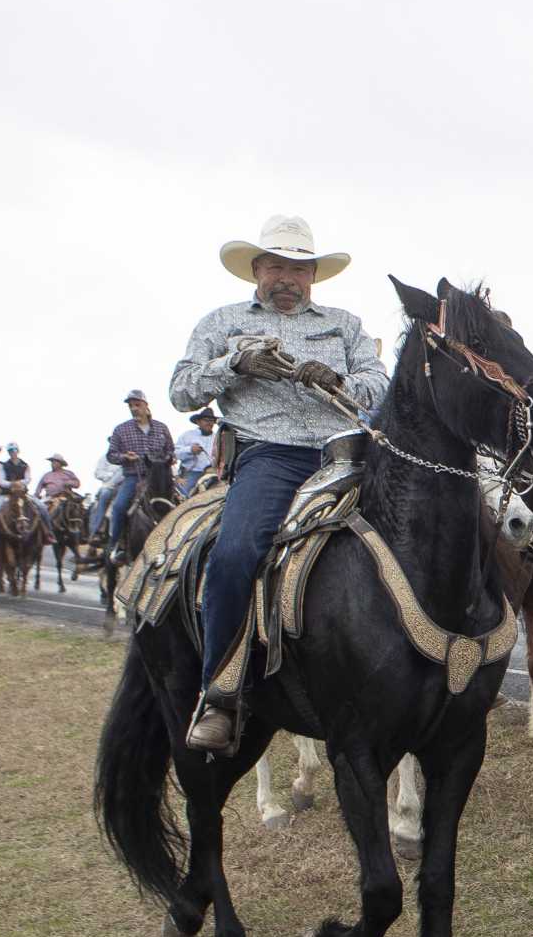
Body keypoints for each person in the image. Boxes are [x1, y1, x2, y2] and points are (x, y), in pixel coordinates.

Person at [171, 212, 388, 751]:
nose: (286, 277)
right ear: (256, 270)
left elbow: (378, 385)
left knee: (437, 526)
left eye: (298, 268)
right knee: (236, 553)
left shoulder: (345, 325)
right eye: (275, 266)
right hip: (270, 456)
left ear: (313, 274)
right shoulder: (221, 323)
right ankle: (220, 693)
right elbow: (180, 391)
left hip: (349, 454)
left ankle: (455, 658)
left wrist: (337, 378)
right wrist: (235, 364)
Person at [83, 389, 176, 569]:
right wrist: (125, 456)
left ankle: (180, 543)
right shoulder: (121, 430)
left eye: (137, 405)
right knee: (118, 507)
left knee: (184, 502)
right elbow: (111, 455)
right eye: (131, 406)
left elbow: (171, 449)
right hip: (134, 476)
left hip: (161, 478)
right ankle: (118, 545)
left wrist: (169, 458)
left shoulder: (161, 428)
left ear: (146, 406)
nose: (134, 408)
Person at [177, 407, 220, 495]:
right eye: (206, 420)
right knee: (183, 494)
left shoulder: (218, 438)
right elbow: (175, 453)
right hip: (193, 473)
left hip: (213, 472)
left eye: (211, 421)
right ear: (198, 422)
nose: (209, 423)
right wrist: (190, 450)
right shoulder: (187, 435)